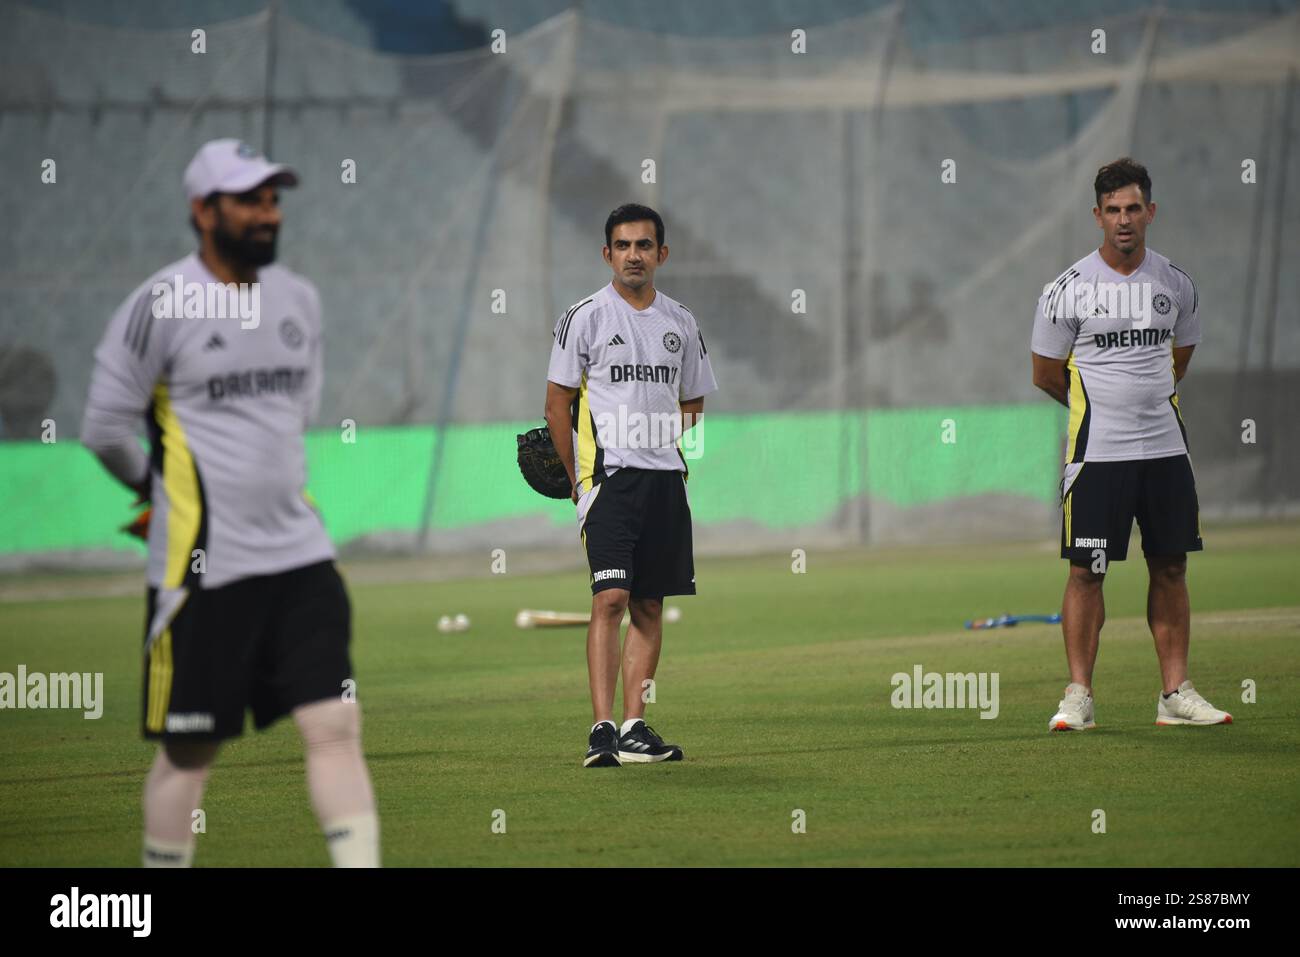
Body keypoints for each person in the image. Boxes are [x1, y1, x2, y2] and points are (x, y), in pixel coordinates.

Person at [81, 139, 379, 865]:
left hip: (303, 559)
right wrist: (157, 494)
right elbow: (102, 428)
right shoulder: (157, 303)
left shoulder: (298, 299)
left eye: (273, 200)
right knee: (189, 751)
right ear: (202, 210)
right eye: (248, 200)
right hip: (201, 573)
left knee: (335, 722)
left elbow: (293, 415)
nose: (266, 214)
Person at [1030, 157, 1231, 732]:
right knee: (1087, 571)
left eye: (1133, 208)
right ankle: (1078, 697)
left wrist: (1143, 402)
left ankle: (1174, 694)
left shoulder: (1176, 283)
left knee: (1170, 566)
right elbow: (1046, 374)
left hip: (1165, 451)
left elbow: (1178, 362)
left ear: (1151, 212)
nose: (1124, 220)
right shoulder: (1067, 290)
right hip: (1097, 454)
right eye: (1113, 210)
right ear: (1097, 216)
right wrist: (1101, 411)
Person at [544, 203, 718, 767]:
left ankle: (635, 726)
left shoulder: (681, 322)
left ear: (661, 254)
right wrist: (578, 479)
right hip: (609, 481)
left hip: (665, 481)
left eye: (644, 246)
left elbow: (694, 398)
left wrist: (674, 446)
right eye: (623, 246)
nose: (634, 255)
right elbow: (556, 403)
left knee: (649, 605)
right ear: (607, 254)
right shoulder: (586, 316)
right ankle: (601, 730)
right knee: (610, 599)